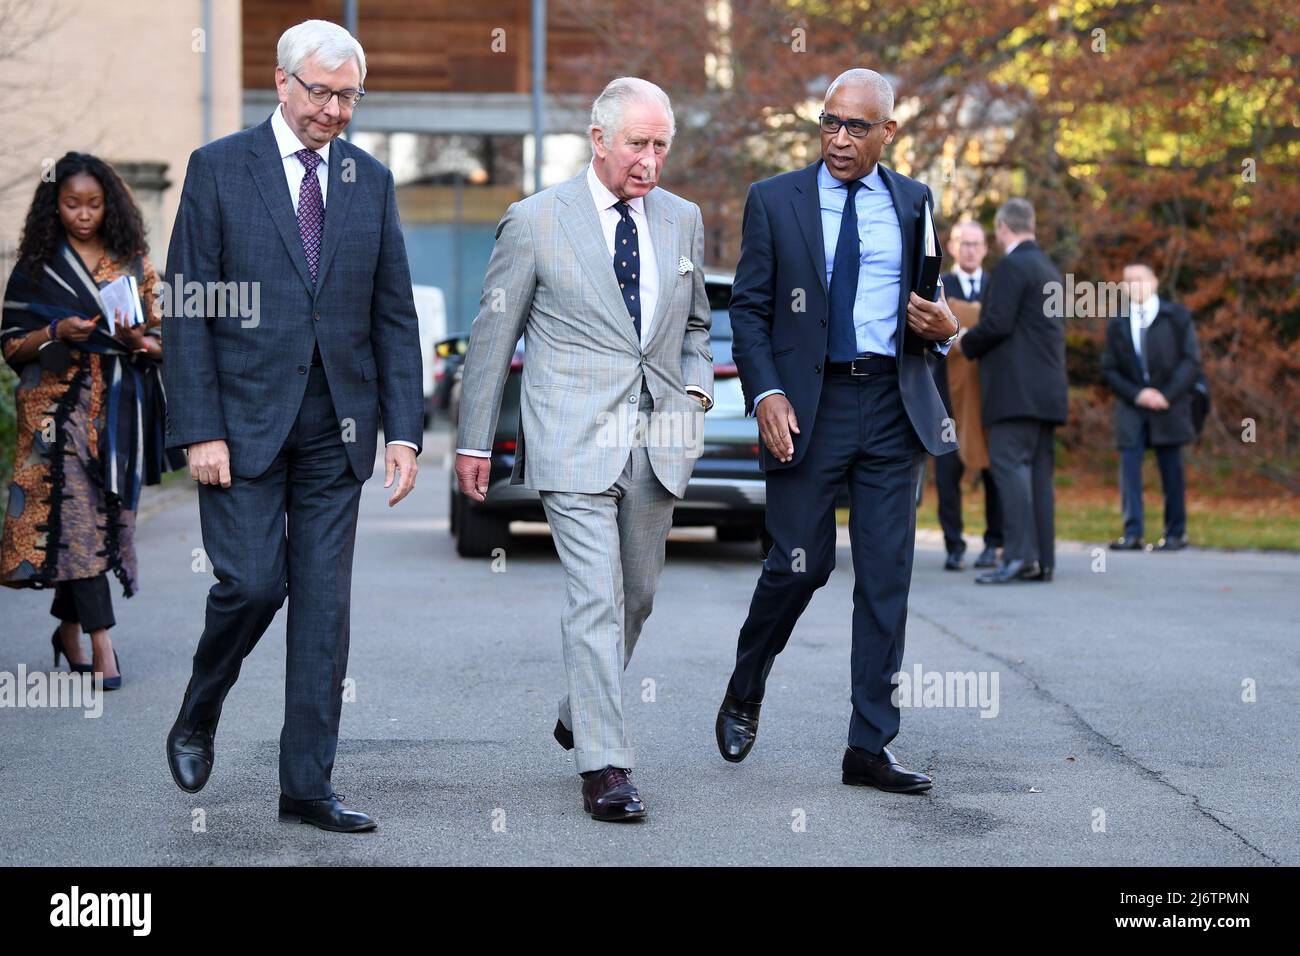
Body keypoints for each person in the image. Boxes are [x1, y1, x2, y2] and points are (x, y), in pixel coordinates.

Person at [162, 19, 424, 833]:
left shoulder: (369, 181)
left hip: (336, 429)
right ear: (281, 83)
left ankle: (307, 786)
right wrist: (199, 427)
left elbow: (392, 315)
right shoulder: (218, 170)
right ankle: (200, 709)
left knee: (322, 613)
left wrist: (405, 432)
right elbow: (188, 310)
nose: (335, 111)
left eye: (349, 96)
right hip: (239, 426)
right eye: (322, 92)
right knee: (251, 585)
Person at [454, 77, 713, 822]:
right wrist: (474, 440)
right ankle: (607, 766)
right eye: (639, 143)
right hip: (572, 436)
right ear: (598, 140)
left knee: (638, 596)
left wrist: (695, 397)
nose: (651, 160)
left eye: (662, 144)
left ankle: (581, 707)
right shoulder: (535, 221)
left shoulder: (682, 220)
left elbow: (695, 328)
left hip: (660, 437)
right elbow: (492, 337)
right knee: (594, 598)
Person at [716, 68, 960, 794]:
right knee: (800, 565)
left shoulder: (914, 201)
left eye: (858, 126)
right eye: (830, 123)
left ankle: (868, 747)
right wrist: (764, 391)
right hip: (807, 408)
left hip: (892, 404)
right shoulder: (774, 200)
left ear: (890, 132)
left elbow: (929, 302)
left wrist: (946, 331)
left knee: (886, 576)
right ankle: (747, 682)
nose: (841, 139)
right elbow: (750, 312)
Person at [2, 152, 183, 689]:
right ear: (53, 205)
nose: (83, 214)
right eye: (71, 203)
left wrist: (136, 342)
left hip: (119, 415)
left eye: (94, 204)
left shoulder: (134, 264)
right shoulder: (35, 268)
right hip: (53, 415)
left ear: (110, 205)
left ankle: (68, 633)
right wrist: (56, 333)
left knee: (97, 520)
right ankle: (103, 648)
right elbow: (11, 346)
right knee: (76, 519)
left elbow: (168, 342)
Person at [958, 198, 1067, 584]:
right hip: (1047, 392)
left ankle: (1019, 556)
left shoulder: (1011, 266)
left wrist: (963, 341)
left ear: (1003, 229)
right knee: (1038, 475)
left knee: (1010, 468)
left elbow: (997, 324)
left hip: (1014, 393)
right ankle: (1041, 559)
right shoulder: (1049, 269)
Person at [1101, 263, 1200, 551]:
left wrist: (1165, 395)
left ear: (1154, 282)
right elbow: (1109, 369)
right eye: (1128, 281)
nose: (1135, 285)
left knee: (1171, 469)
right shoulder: (1117, 322)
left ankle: (1175, 533)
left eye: (1140, 279)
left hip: (1170, 404)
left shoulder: (1176, 316)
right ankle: (1132, 533)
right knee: (1129, 466)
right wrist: (1139, 394)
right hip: (1132, 405)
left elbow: (1191, 361)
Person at [935, 221, 1002, 571]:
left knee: (994, 470)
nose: (971, 250)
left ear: (986, 248)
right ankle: (954, 544)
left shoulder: (998, 287)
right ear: (954, 246)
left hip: (990, 393)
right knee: (948, 470)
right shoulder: (940, 285)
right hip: (947, 393)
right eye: (964, 243)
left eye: (977, 244)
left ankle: (994, 542)